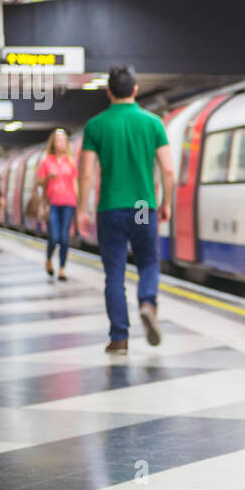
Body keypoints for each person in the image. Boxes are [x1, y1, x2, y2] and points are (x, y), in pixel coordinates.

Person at [78, 65, 174, 353]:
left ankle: (119, 337)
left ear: (108, 92)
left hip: (110, 207)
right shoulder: (153, 123)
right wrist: (166, 202)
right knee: (148, 261)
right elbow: (168, 169)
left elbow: (85, 173)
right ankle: (147, 302)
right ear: (135, 90)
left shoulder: (95, 125)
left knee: (115, 273)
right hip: (144, 205)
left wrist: (82, 209)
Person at [36, 129, 79, 280]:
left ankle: (61, 268)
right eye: (58, 140)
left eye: (63, 140)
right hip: (52, 203)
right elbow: (40, 182)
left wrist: (79, 204)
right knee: (54, 237)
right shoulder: (47, 161)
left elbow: (75, 183)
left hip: (69, 202)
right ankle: (48, 259)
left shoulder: (71, 161)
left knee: (65, 238)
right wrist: (48, 177)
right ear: (53, 143)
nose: (61, 143)